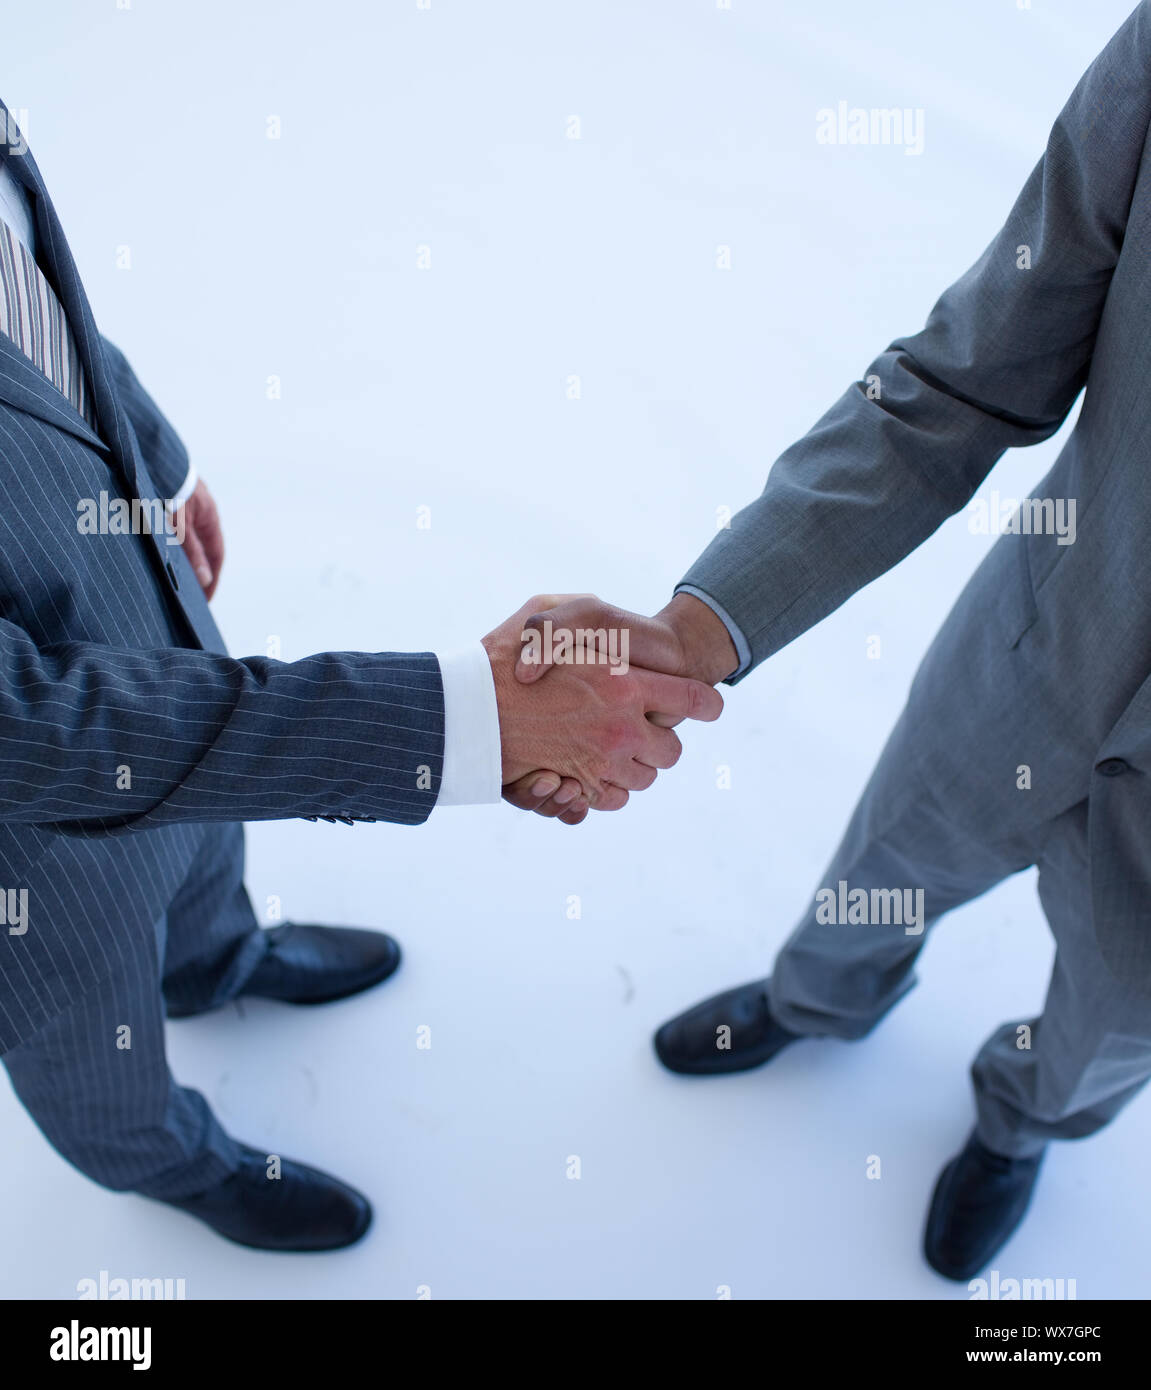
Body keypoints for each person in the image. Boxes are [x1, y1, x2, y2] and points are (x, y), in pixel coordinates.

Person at [0, 102, 720, 1252]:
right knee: (91, 1047)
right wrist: (466, 715)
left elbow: (46, 309)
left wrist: (154, 469)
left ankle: (215, 959)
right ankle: (175, 1164)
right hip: (30, 868)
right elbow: (25, 729)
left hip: (152, 627)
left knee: (201, 845)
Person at [509, 1, 1151, 1281]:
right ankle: (813, 1001)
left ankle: (1018, 1127)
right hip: (1035, 643)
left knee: (1107, 1030)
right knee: (885, 860)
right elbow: (964, 375)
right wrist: (703, 622)